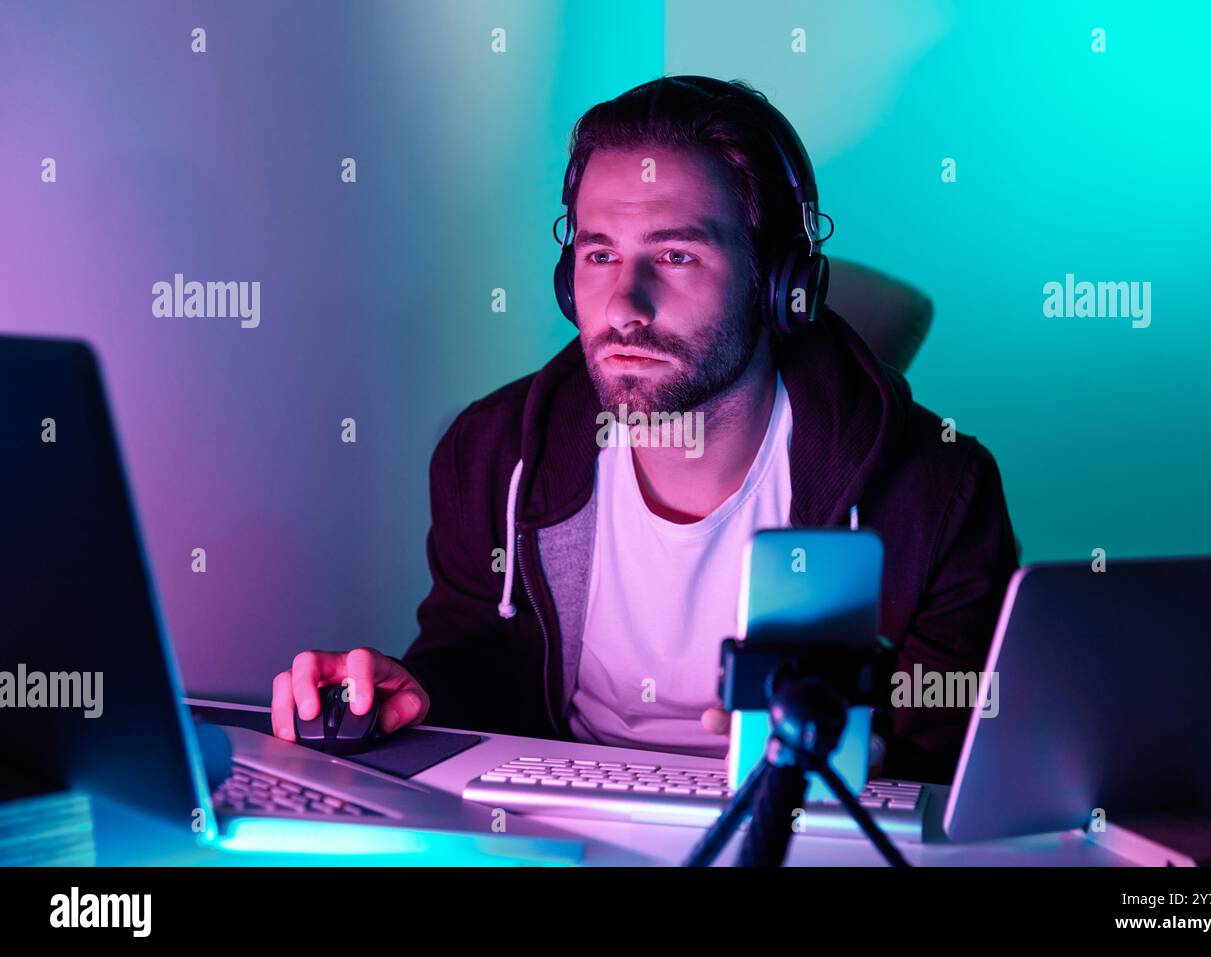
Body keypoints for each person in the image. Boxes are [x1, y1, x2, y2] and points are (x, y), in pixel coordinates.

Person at [271, 76, 1018, 784]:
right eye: (600, 254)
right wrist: (415, 695)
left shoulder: (938, 489)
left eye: (675, 254)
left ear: (779, 282)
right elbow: (474, 666)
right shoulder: (491, 455)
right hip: (563, 839)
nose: (625, 304)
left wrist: (859, 755)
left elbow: (953, 759)